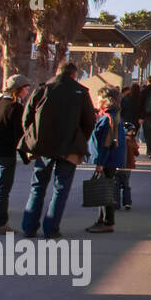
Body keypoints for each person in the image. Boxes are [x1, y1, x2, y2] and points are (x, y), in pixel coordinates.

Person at [18, 62, 96, 239]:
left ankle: (29, 228)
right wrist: (79, 138)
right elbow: (89, 121)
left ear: (57, 72)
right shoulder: (81, 93)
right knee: (60, 188)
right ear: (74, 75)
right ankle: (51, 228)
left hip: (43, 147)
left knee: (37, 187)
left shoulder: (44, 89)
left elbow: (26, 117)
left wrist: (33, 136)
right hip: (69, 147)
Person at [0, 74, 31, 234]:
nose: (27, 92)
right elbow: (18, 135)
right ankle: (0, 224)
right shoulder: (15, 107)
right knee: (2, 190)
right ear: (18, 89)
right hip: (5, 154)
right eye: (26, 89)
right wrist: (27, 156)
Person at [85, 85, 125, 233]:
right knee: (103, 189)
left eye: (99, 98)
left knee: (104, 190)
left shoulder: (108, 119)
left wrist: (100, 163)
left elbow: (106, 144)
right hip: (111, 159)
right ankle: (101, 220)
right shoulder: (114, 116)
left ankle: (107, 221)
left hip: (107, 160)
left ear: (106, 100)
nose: (97, 100)